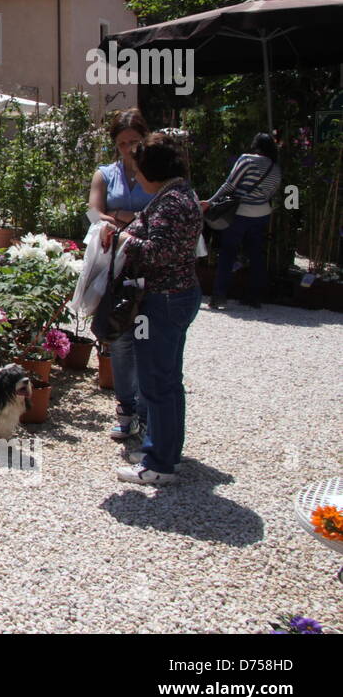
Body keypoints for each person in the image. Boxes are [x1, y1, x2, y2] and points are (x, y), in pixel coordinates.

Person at [103, 134, 203, 486]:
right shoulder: (180, 193)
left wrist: (122, 241)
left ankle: (159, 462)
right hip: (179, 295)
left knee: (156, 383)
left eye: (138, 170)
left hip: (163, 299)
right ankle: (164, 451)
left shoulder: (171, 202)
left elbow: (159, 252)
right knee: (168, 381)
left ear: (151, 170)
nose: (136, 177)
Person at [88, 108, 152, 442]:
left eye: (134, 142)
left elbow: (166, 210)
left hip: (150, 262)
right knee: (121, 337)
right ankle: (126, 409)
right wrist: (114, 217)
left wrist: (128, 218)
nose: (128, 148)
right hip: (117, 263)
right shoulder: (105, 174)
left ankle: (148, 411)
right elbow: (93, 211)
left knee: (150, 336)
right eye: (123, 143)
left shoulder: (157, 171)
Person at [203, 133, 282, 310]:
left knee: (228, 253)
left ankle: (219, 296)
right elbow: (271, 193)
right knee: (256, 255)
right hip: (262, 214)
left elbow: (229, 185)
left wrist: (210, 202)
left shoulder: (247, 160)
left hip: (239, 214)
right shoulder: (275, 168)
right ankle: (253, 297)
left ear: (255, 144)